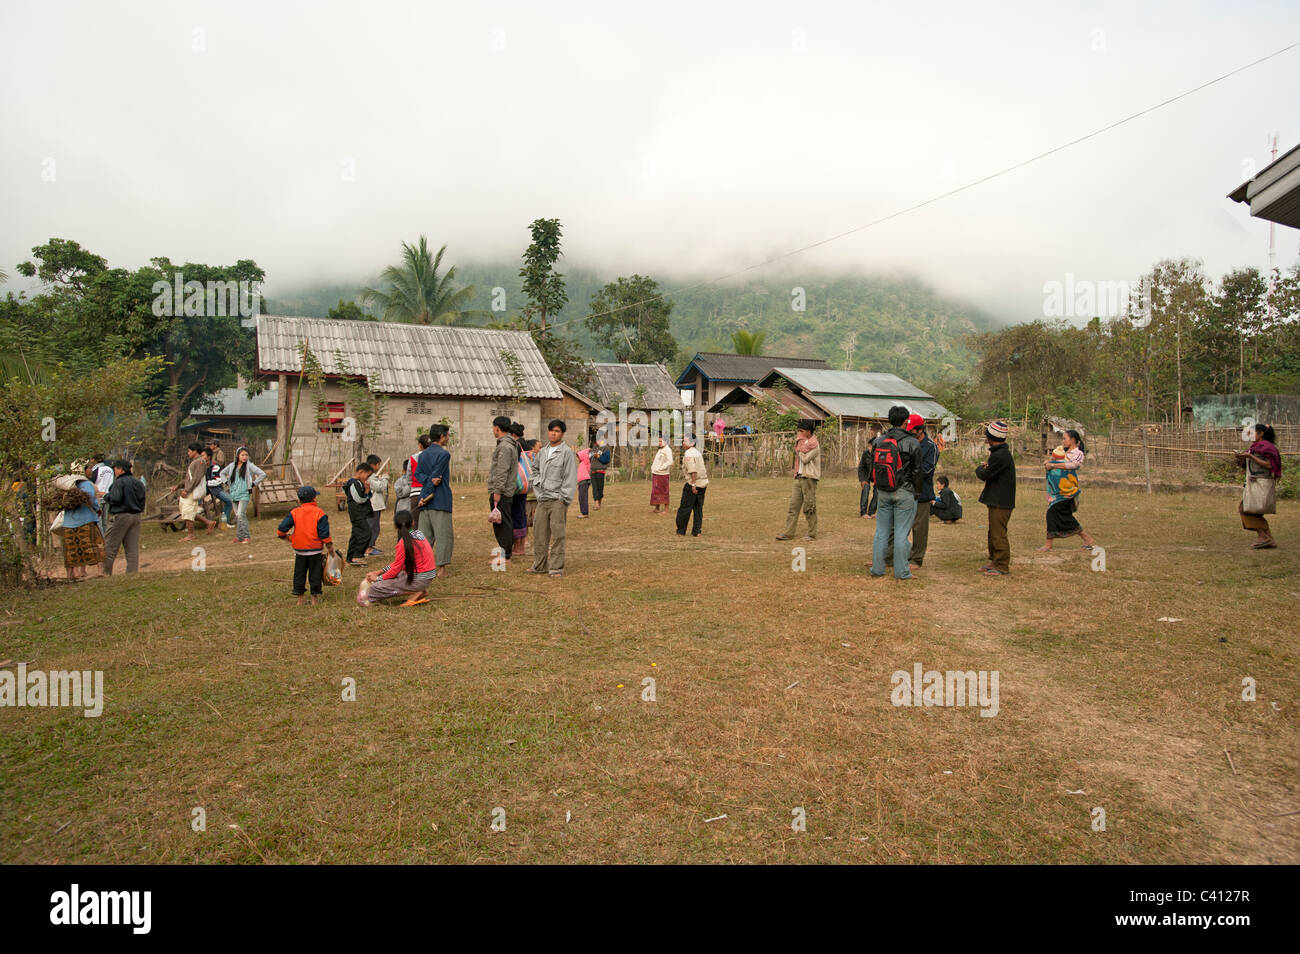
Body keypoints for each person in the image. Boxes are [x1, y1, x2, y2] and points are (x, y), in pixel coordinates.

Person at [868, 406, 922, 580]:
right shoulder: (912, 442)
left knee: (881, 532)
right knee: (901, 534)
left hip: (883, 492)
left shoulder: (879, 441)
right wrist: (917, 492)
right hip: (905, 492)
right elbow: (917, 471)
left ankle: (877, 569)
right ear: (906, 421)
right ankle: (902, 572)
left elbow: (873, 467)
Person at [529, 419, 578, 576]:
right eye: (551, 430)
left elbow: (570, 477)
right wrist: (537, 484)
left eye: (557, 431)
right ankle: (539, 566)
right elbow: (534, 470)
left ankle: (556, 568)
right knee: (539, 534)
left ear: (562, 434)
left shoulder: (567, 453)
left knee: (558, 535)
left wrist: (563, 498)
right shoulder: (543, 452)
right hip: (542, 499)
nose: (553, 433)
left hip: (558, 500)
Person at [359, 510, 437, 607]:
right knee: (394, 577)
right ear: (413, 522)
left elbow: (396, 568)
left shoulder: (403, 543)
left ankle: (416, 591)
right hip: (426, 578)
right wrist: (379, 572)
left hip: (419, 580)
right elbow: (398, 564)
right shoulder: (419, 535)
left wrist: (378, 579)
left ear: (395, 526)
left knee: (374, 589)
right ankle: (416, 590)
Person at [276, 486, 335, 606]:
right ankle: (314, 599)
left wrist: (287, 538)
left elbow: (281, 530)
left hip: (300, 551)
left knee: (299, 574)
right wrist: (330, 548)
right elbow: (324, 533)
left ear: (299, 500)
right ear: (314, 499)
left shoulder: (295, 512)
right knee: (315, 574)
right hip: (315, 551)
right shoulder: (319, 513)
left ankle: (300, 599)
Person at [1038, 430, 1095, 552]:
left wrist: (1053, 465)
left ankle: (1049, 544)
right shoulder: (1061, 451)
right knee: (1061, 515)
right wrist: (1049, 462)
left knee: (1053, 513)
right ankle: (1087, 539)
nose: (1063, 441)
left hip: (1067, 491)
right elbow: (1054, 460)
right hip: (1056, 491)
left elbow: (1072, 465)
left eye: (1065, 439)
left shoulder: (1078, 453)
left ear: (1073, 440)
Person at [975, 420, 1016, 576]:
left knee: (998, 533)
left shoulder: (1000, 455)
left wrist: (980, 468)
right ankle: (994, 560)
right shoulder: (999, 453)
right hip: (998, 499)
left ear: (990, 437)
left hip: (1001, 501)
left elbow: (984, 474)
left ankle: (1002, 566)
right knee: (993, 532)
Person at [1235, 422, 1282, 549]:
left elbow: (1269, 465)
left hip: (1262, 483)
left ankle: (1263, 536)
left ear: (1260, 434)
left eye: (1252, 432)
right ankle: (1269, 539)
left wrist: (1249, 456)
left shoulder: (1267, 447)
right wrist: (1241, 459)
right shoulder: (1256, 447)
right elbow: (1249, 466)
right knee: (1254, 512)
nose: (1249, 435)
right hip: (1254, 482)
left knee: (1245, 509)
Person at [416, 424, 454, 576]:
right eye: (447, 435)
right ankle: (442, 569)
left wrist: (423, 497)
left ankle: (422, 566)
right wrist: (430, 487)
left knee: (424, 535)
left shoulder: (422, 454)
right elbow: (436, 477)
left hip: (424, 500)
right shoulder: (444, 454)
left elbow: (418, 474)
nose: (448, 438)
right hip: (440, 499)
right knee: (443, 534)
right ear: (442, 436)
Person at [56, 468, 103, 582]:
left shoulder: (64, 486)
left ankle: (72, 574)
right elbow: (91, 498)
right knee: (95, 544)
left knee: (71, 549)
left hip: (69, 522)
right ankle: (100, 570)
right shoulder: (86, 484)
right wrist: (97, 509)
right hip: (86, 519)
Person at [776, 420, 820, 541]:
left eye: (801, 431)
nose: (799, 433)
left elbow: (805, 459)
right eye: (798, 430)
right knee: (793, 507)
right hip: (798, 476)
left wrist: (799, 450)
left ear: (808, 432)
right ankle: (788, 533)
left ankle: (812, 534)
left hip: (809, 477)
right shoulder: (801, 443)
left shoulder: (814, 444)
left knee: (809, 507)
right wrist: (800, 448)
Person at [102, 459, 145, 575]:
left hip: (121, 516)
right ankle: (132, 573)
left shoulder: (118, 483)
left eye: (115, 468)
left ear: (120, 469)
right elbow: (142, 500)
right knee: (132, 548)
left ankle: (105, 573)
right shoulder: (138, 482)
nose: (114, 471)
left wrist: (106, 496)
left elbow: (115, 499)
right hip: (136, 516)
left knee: (110, 546)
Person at [487, 416, 520, 563]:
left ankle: (505, 555)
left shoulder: (504, 447)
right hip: (505, 490)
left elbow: (502, 471)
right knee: (501, 521)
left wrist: (497, 491)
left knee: (502, 522)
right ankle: (504, 550)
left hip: (502, 491)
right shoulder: (509, 445)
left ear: (497, 428)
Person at [908, 415, 939, 567]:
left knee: (919, 528)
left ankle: (916, 558)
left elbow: (927, 470)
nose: (910, 432)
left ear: (920, 430)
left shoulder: (931, 447)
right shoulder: (907, 442)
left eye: (912, 430)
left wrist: (907, 471)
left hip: (922, 492)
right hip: (906, 491)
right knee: (902, 525)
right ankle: (903, 554)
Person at [220, 446, 266, 545]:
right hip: (234, 494)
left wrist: (254, 483)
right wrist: (226, 483)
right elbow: (222, 473)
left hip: (244, 494)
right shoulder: (232, 465)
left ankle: (246, 536)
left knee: (241, 515)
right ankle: (239, 536)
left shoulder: (250, 466)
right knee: (238, 516)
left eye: (246, 455)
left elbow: (262, 474)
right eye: (242, 455)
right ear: (237, 455)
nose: (244, 457)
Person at [174, 442, 215, 540]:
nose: (188, 453)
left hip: (192, 491)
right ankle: (208, 522)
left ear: (195, 451)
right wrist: (179, 485)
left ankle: (191, 535)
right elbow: (189, 478)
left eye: (189, 451)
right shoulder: (195, 461)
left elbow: (196, 478)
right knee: (187, 511)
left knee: (188, 511)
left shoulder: (200, 462)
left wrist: (187, 490)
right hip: (190, 489)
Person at [675, 434, 709, 537]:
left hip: (693, 484)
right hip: (703, 484)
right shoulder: (697, 452)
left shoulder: (689, 453)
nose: (683, 443)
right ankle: (697, 531)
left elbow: (693, 471)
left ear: (692, 443)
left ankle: (681, 531)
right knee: (698, 509)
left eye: (685, 441)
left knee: (685, 508)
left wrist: (693, 485)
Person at [341, 462, 374, 565]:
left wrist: (367, 490)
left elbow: (363, 496)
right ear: (360, 472)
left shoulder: (359, 483)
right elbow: (359, 499)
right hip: (357, 514)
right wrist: (366, 494)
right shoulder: (353, 483)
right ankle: (357, 555)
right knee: (366, 533)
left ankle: (350, 557)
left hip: (360, 514)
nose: (367, 478)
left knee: (356, 535)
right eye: (367, 475)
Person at [514, 438, 538, 556]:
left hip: (536, 496)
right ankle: (525, 540)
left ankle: (535, 540)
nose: (540, 449)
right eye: (539, 447)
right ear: (532, 448)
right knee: (526, 519)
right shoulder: (525, 458)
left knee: (535, 519)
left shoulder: (536, 460)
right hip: (527, 496)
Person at [364, 454, 388, 557]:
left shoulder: (371, 477)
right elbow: (380, 487)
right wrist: (385, 478)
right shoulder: (369, 477)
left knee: (375, 527)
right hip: (373, 506)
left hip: (374, 506)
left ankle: (370, 546)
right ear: (373, 465)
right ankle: (368, 548)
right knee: (373, 527)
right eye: (378, 465)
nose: (378, 467)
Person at [204, 447, 234, 527]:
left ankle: (224, 522)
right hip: (206, 490)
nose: (201, 457)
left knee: (229, 501)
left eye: (203, 455)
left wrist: (206, 483)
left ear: (208, 457)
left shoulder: (215, 467)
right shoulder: (201, 466)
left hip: (215, 489)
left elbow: (218, 480)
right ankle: (223, 523)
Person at [858, 423, 883, 518]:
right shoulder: (865, 454)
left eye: (872, 447)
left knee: (877, 492)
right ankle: (863, 513)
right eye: (869, 446)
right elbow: (861, 467)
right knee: (866, 489)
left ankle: (871, 512)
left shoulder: (880, 454)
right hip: (866, 476)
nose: (870, 448)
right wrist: (862, 480)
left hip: (877, 477)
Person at [90, 454, 113, 535]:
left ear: (94, 460)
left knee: (98, 521)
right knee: (105, 521)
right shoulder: (110, 469)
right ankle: (106, 538)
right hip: (107, 496)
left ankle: (101, 539)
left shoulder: (96, 470)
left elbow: (91, 481)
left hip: (98, 497)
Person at [408, 433, 432, 511]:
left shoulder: (412, 459)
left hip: (415, 494)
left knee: (415, 521)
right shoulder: (434, 458)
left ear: (420, 445)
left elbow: (408, 478)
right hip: (430, 494)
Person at [650, 436, 673, 513]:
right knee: (656, 491)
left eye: (661, 441)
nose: (659, 443)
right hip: (656, 473)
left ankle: (666, 509)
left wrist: (661, 468)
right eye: (658, 441)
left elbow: (670, 461)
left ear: (665, 442)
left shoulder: (667, 450)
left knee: (664, 491)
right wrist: (654, 468)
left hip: (663, 474)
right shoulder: (660, 450)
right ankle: (657, 507)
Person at [591, 438, 611, 510]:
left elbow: (606, 460)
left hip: (600, 471)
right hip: (593, 471)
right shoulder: (594, 448)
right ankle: (596, 503)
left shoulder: (605, 449)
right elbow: (590, 457)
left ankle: (599, 502)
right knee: (594, 488)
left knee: (600, 488)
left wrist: (598, 456)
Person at [576, 442, 592, 517]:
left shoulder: (586, 461)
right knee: (581, 497)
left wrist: (588, 449)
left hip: (584, 481)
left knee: (583, 497)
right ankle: (584, 512)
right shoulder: (581, 463)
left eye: (579, 456)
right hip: (581, 482)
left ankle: (585, 513)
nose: (578, 458)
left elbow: (586, 454)